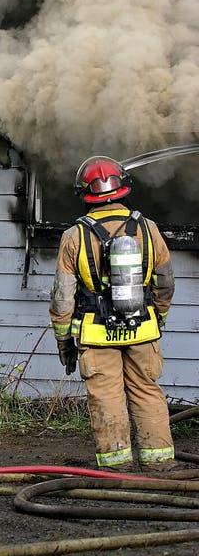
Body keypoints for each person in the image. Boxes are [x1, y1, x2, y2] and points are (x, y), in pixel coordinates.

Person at [49, 155, 178, 474]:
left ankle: (116, 469)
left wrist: (64, 342)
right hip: (143, 329)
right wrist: (157, 317)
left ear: (84, 194)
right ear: (122, 188)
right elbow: (166, 283)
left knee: (106, 397)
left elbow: (63, 298)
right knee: (147, 392)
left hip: (96, 334)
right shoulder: (148, 230)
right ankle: (159, 465)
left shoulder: (73, 237)